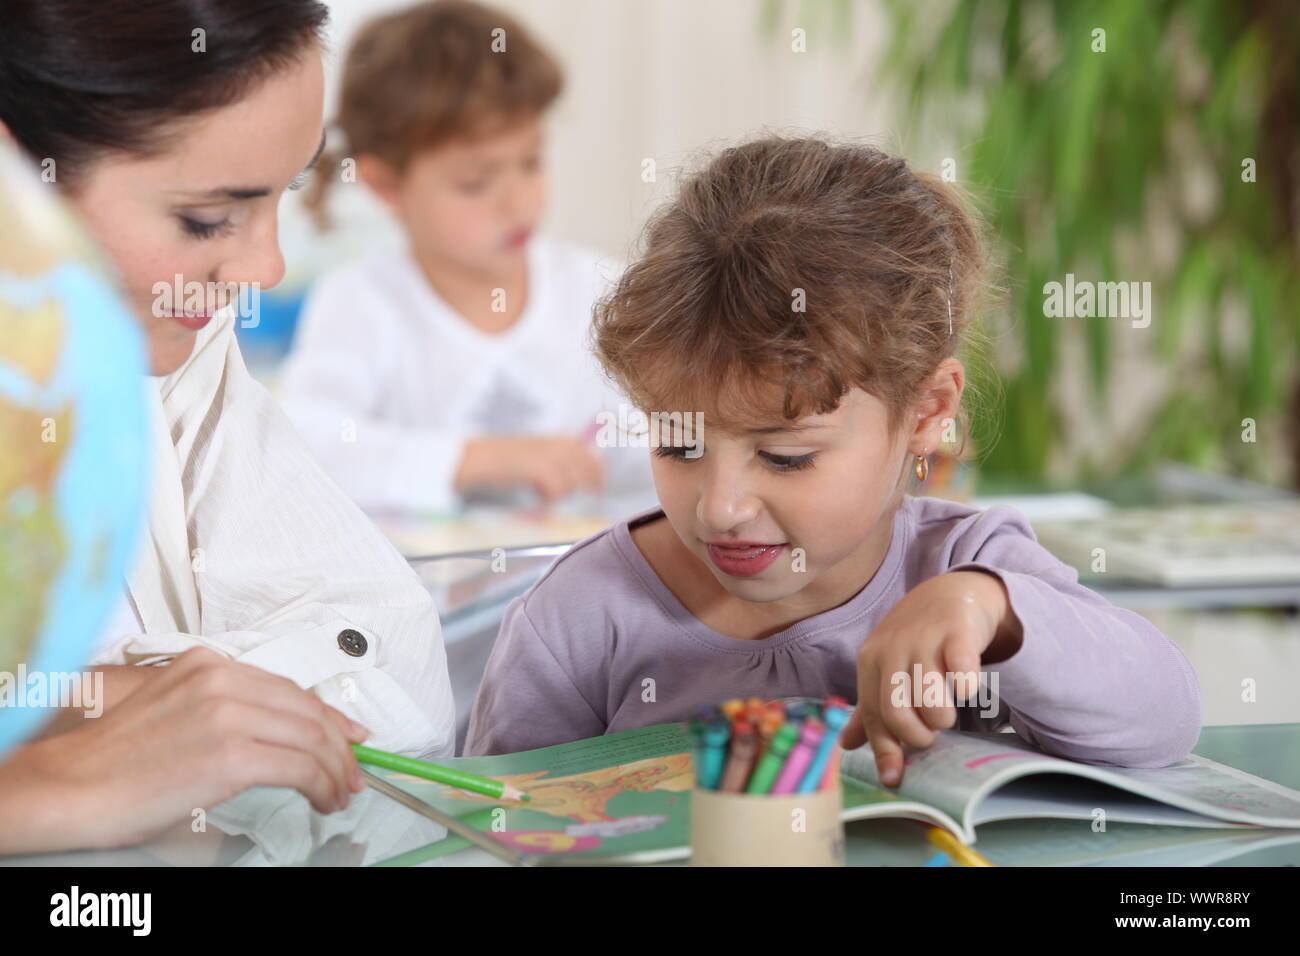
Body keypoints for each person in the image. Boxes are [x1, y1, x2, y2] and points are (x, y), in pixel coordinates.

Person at [465, 136, 1203, 786]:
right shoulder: (578, 618)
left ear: (926, 413)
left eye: (785, 457)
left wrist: (990, 611)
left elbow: (1163, 717)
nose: (720, 507)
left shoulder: (967, 566)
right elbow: (490, 827)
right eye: (680, 442)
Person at [0, 0, 454, 853]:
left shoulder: (170, 349)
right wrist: (46, 777)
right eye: (206, 220)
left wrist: (108, 695)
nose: (264, 270)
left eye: (284, 194)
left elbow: (401, 670)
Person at [279, 0, 650, 514]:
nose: (519, 202)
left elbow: (671, 440)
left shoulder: (602, 288)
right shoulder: (360, 302)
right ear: (386, 185)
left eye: (531, 162)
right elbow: (306, 446)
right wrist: (474, 458)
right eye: (475, 183)